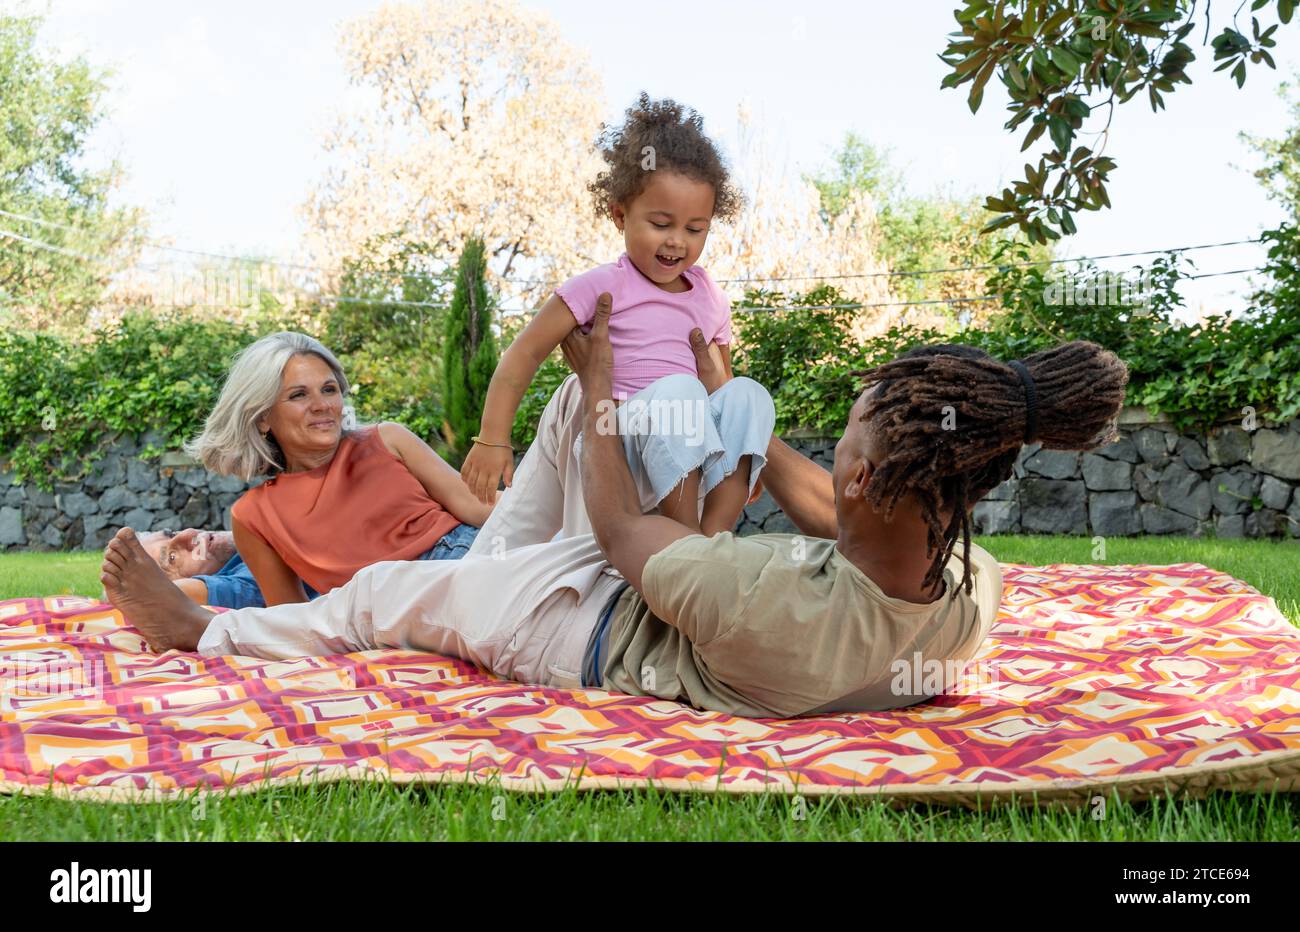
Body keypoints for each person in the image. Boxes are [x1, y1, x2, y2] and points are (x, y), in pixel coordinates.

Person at [99, 293, 1129, 718]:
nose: (830, 454)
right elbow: (835, 510)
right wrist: (730, 409)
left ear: (860, 477)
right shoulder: (965, 585)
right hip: (598, 571)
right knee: (578, 432)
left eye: (846, 438)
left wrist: (601, 385)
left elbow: (634, 533)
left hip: (577, 620)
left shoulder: (756, 599)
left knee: (377, 596)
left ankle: (203, 629)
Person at [461, 93, 774, 553]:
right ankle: (683, 542)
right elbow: (524, 353)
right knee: (680, 392)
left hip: (686, 440)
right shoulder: (602, 286)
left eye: (695, 229)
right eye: (661, 223)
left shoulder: (709, 296)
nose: (676, 242)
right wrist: (492, 439)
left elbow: (721, 382)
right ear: (619, 214)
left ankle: (714, 542)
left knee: (750, 393)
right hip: (621, 434)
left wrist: (743, 455)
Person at [182, 331, 491, 606]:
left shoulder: (387, 440)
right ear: (262, 417)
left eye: (329, 389)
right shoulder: (253, 516)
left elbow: (479, 506)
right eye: (299, 395)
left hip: (471, 560)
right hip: (396, 613)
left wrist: (537, 510)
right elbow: (292, 617)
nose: (322, 405)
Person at [137, 527, 319, 609]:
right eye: (172, 557)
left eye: (173, 533)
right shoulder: (242, 581)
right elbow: (243, 591)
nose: (189, 534)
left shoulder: (252, 530)